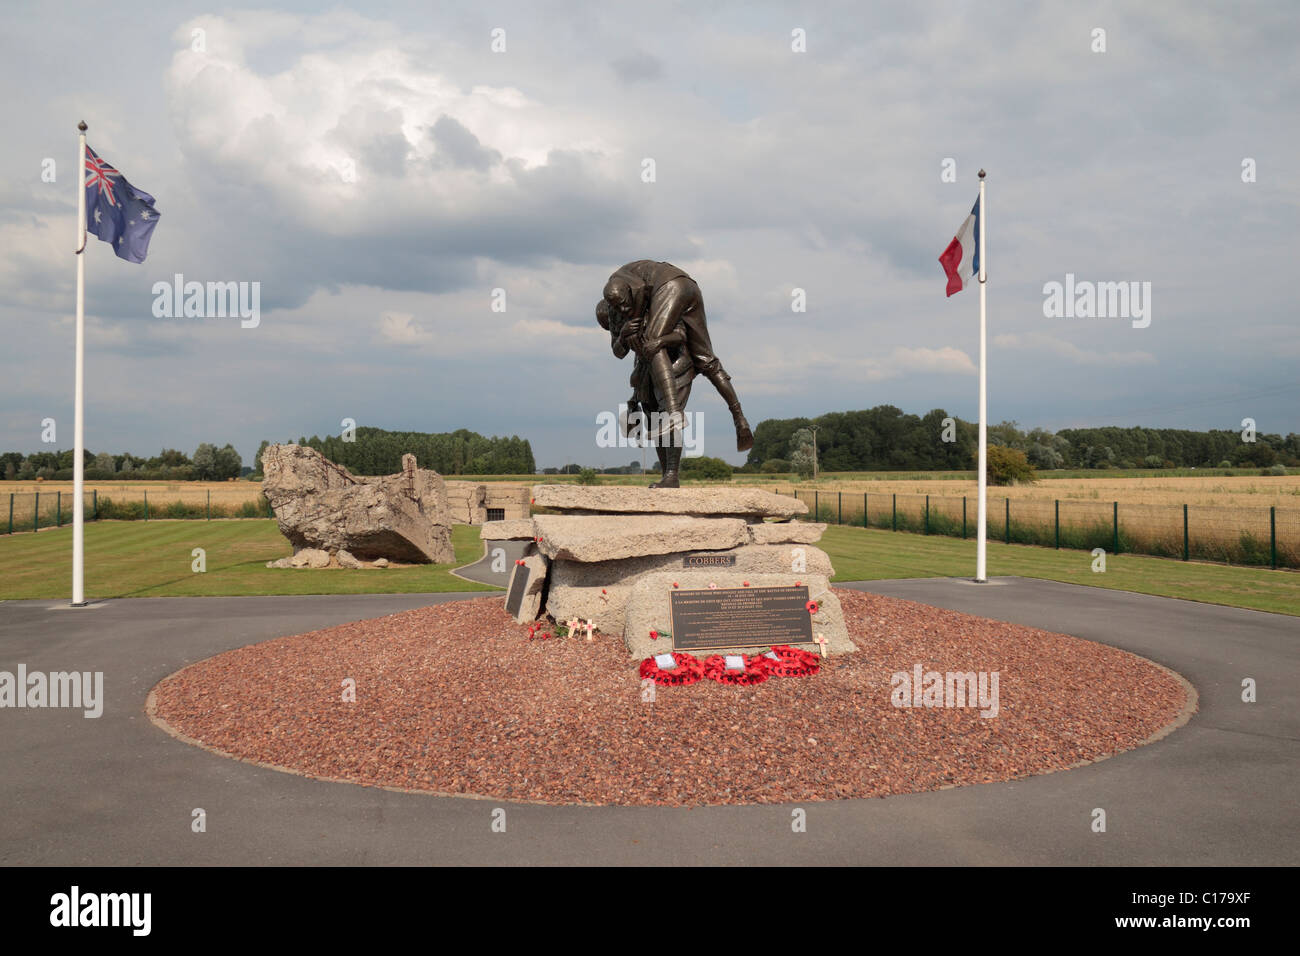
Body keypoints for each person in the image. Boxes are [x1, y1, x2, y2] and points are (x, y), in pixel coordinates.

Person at [602, 260, 753, 454]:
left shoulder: (623, 283)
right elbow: (619, 352)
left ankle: (674, 413)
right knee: (707, 360)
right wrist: (625, 333)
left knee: (652, 341)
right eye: (617, 308)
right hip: (689, 286)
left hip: (671, 286)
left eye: (623, 305)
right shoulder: (621, 303)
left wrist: (637, 321)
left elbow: (639, 288)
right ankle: (739, 419)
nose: (623, 311)